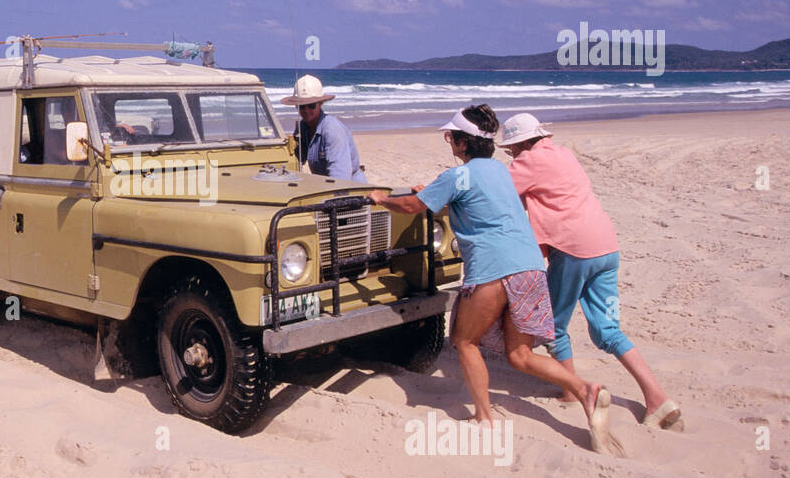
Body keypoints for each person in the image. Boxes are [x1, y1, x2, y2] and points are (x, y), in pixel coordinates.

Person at [369, 104, 620, 454]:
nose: (449, 141)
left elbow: (412, 207)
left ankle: (484, 417)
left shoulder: (457, 176)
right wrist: (432, 191)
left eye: (451, 137)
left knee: (464, 340)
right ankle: (585, 390)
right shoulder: (503, 172)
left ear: (463, 143)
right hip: (531, 266)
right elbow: (474, 201)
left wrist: (381, 199)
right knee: (520, 355)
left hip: (492, 269)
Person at [499, 113, 682, 430]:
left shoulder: (529, 160)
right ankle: (657, 398)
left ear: (523, 142)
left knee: (552, 326)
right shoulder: (564, 153)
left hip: (573, 250)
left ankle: (572, 391)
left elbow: (497, 193)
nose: (512, 155)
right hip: (606, 246)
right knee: (608, 331)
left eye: (512, 148)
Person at [281, 75, 365, 181]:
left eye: (311, 105)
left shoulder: (332, 129)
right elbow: (296, 159)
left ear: (320, 103)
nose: (306, 110)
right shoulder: (302, 127)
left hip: (348, 186)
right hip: (324, 183)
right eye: (301, 106)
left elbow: (340, 175)